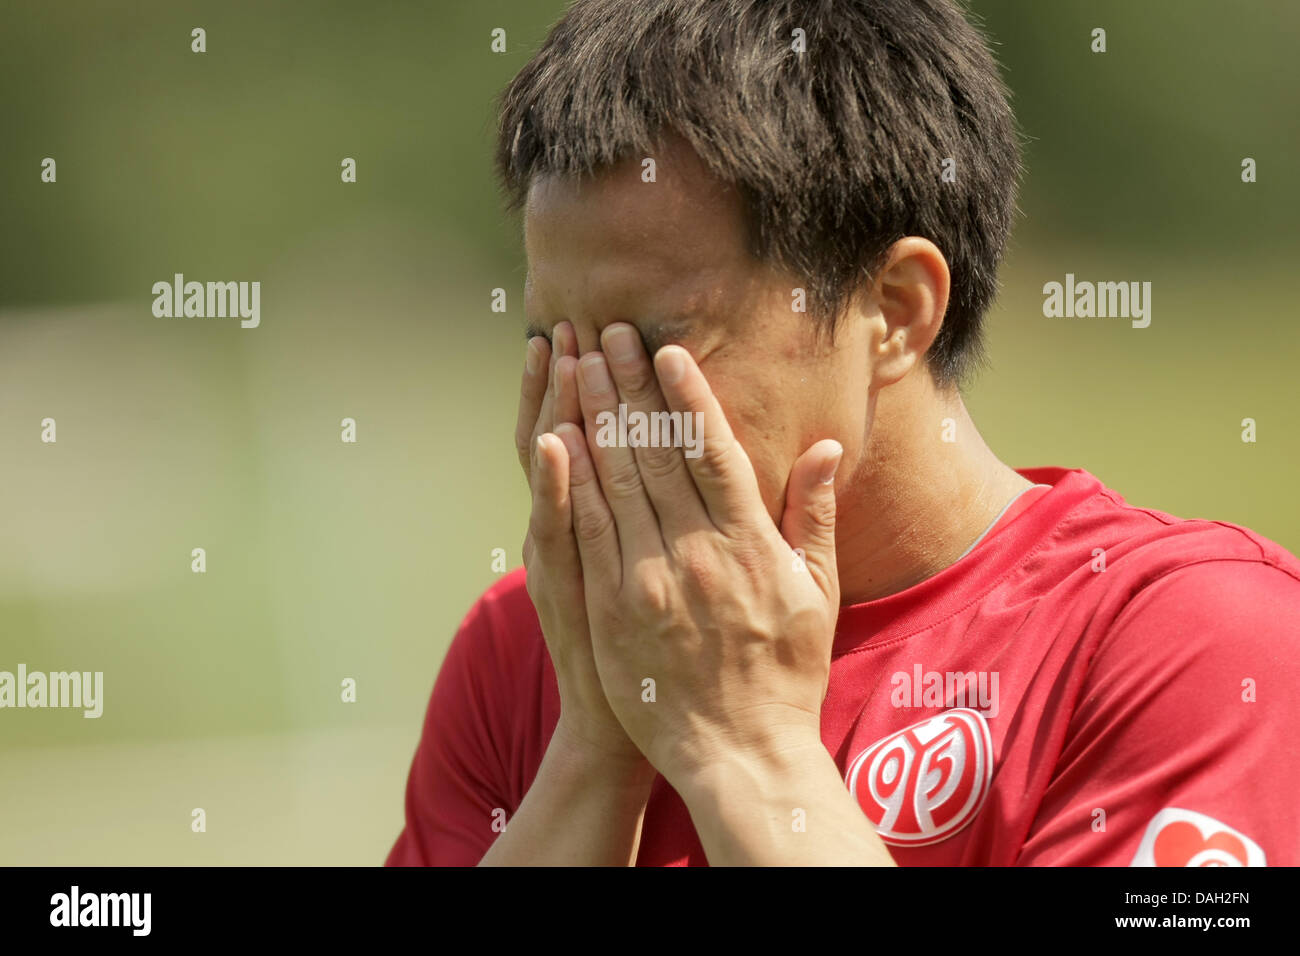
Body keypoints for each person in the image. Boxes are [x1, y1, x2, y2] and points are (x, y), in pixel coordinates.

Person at [387, 0, 1300, 866]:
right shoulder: (524, 652)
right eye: (553, 348)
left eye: (653, 350)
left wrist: (746, 746)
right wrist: (592, 747)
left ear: (896, 311)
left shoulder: (1200, 645)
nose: (586, 419)